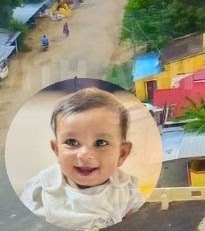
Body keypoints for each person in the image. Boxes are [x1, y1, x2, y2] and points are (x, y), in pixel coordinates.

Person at [20, 88, 145, 229]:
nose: (84, 154)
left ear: (121, 154)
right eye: (72, 142)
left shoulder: (125, 189)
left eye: (100, 143)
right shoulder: (40, 191)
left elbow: (140, 218)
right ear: (56, 150)